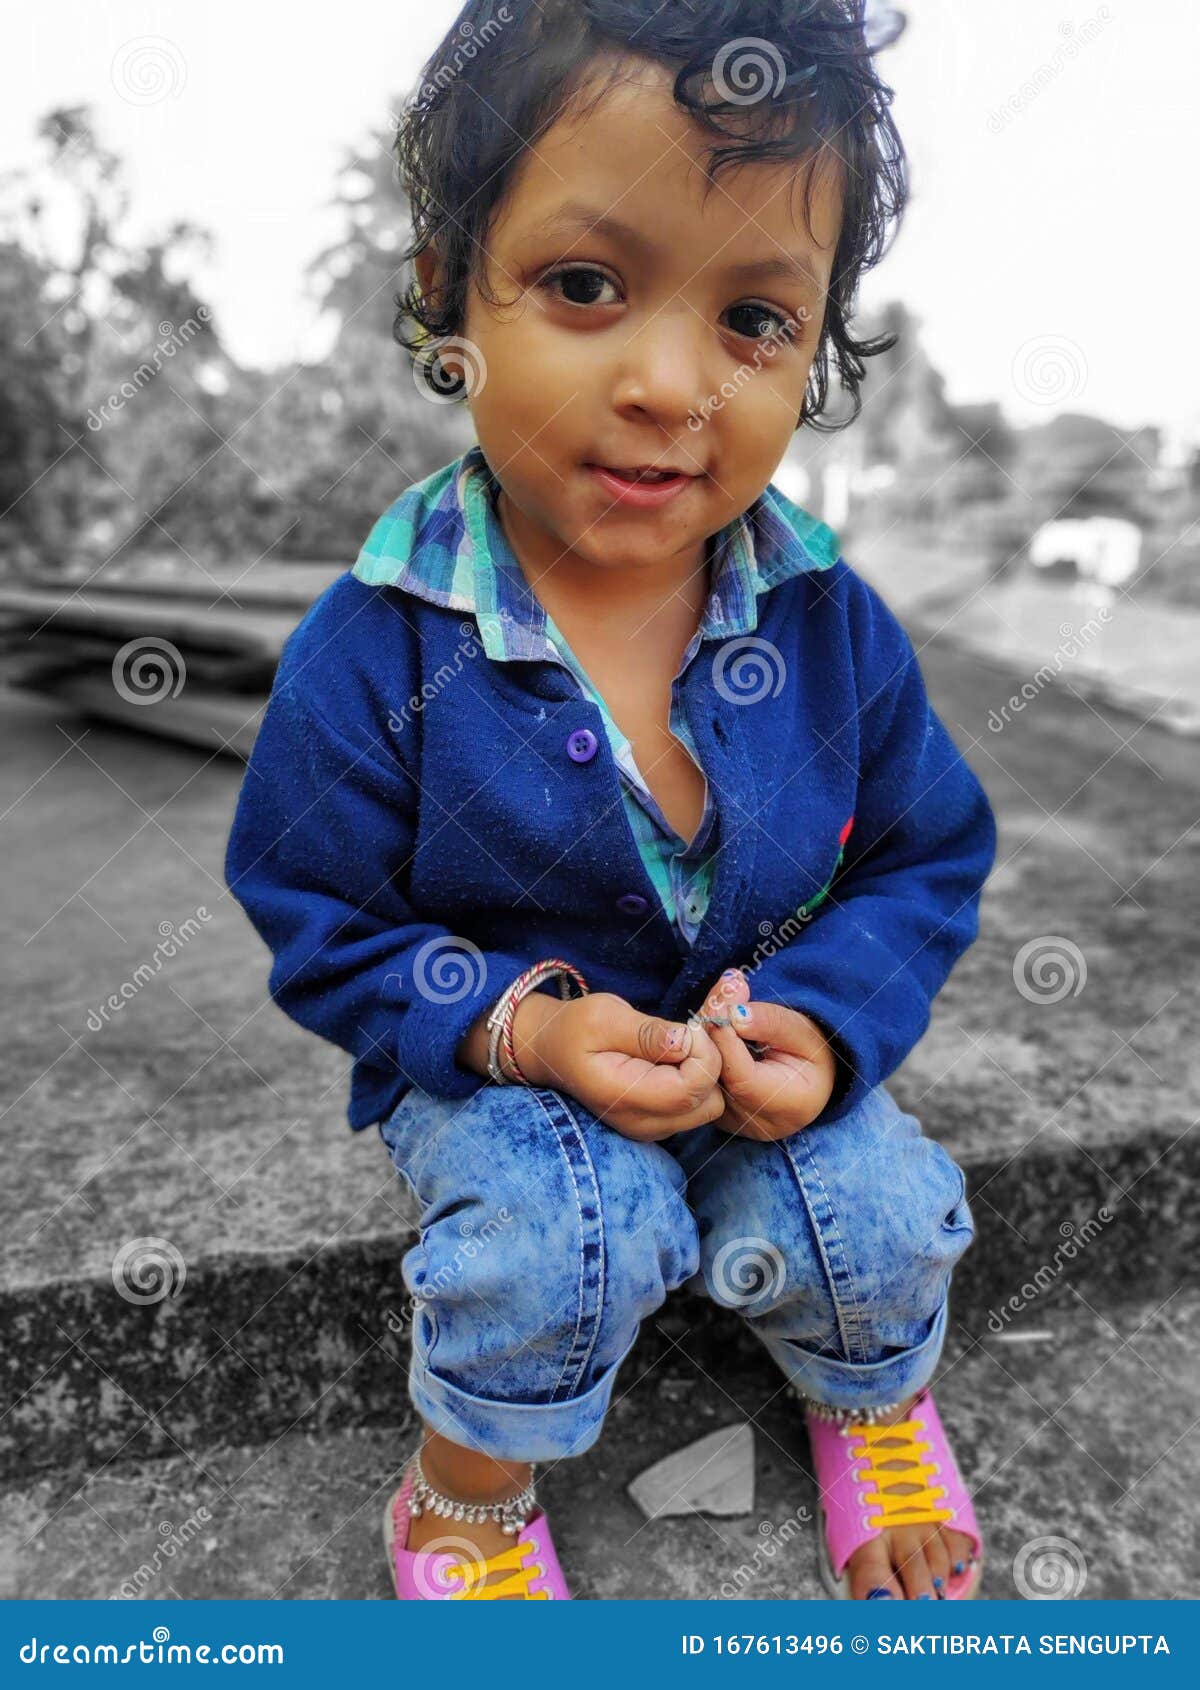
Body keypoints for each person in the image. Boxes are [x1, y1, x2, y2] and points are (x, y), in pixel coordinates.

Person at [225, 0, 996, 1603]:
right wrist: (515, 1022)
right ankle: (470, 1492)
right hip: (503, 1077)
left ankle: (873, 1397)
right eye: (586, 286)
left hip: (749, 1061)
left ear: (815, 348)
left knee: (875, 1200)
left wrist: (829, 1023)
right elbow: (319, 915)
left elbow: (925, 854)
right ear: (453, 292)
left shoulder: (827, 623)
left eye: (755, 320)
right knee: (546, 1228)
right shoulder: (379, 645)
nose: (668, 383)